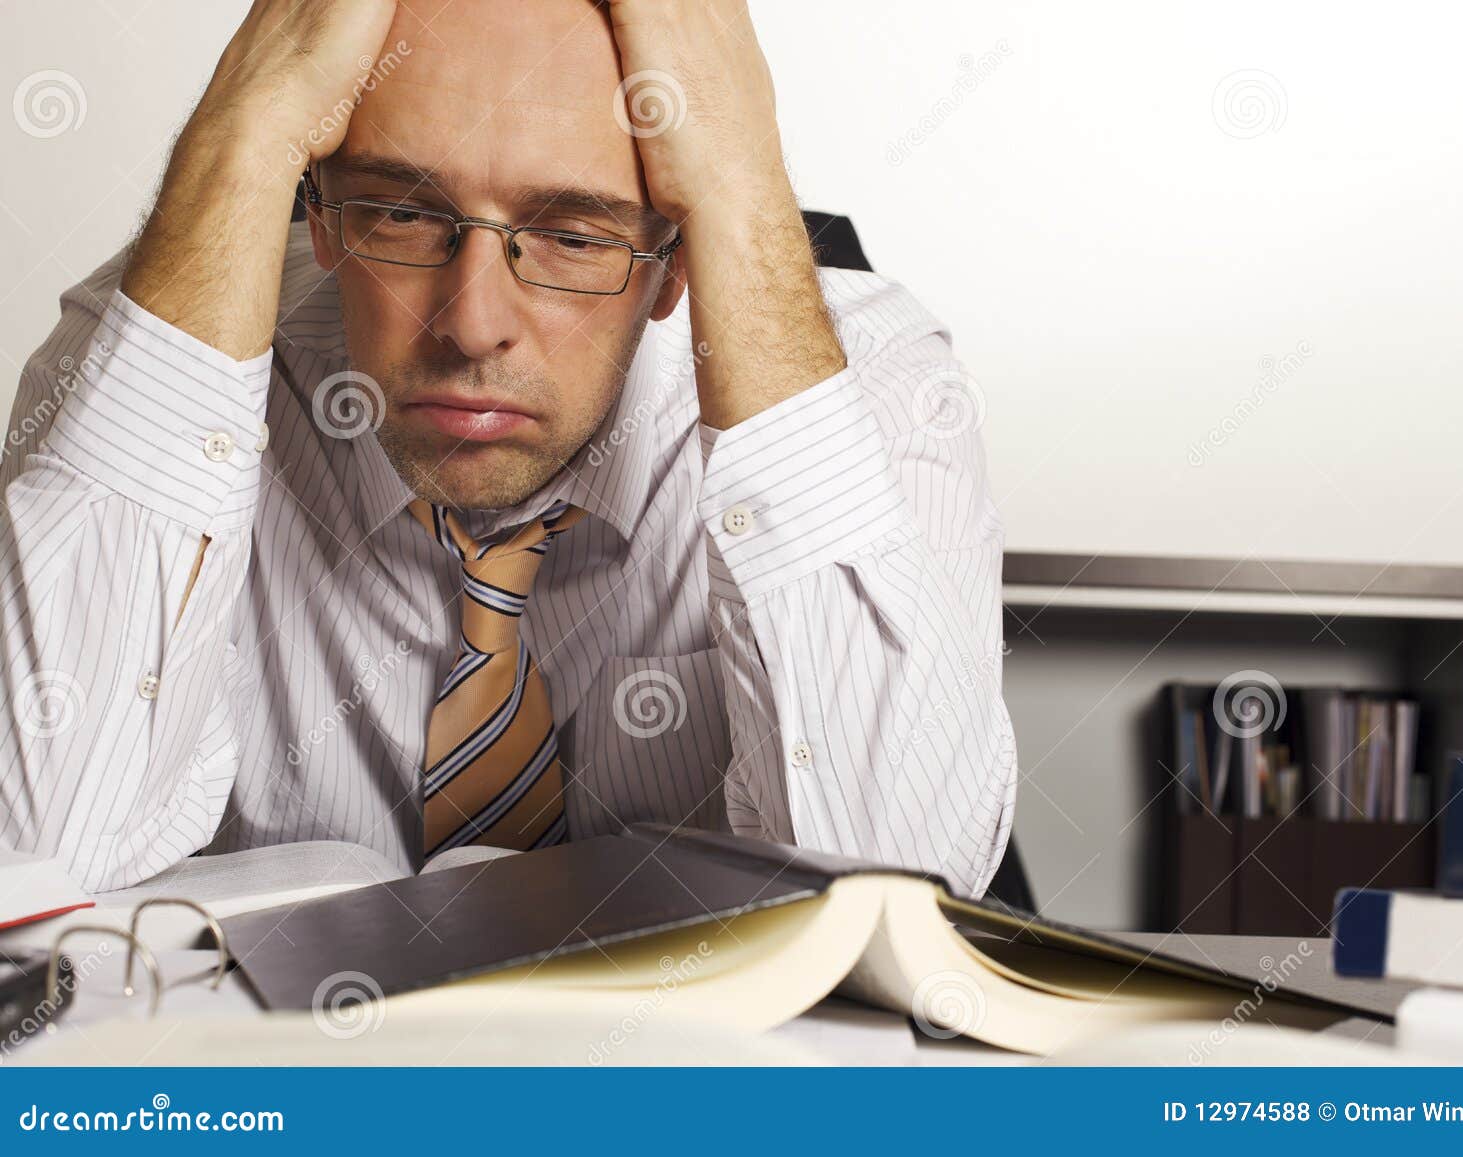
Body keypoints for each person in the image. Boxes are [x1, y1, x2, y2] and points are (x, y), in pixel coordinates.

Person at [0, 0, 1016, 897]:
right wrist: (241, 136)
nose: (472, 323)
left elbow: (895, 892)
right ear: (315, 210)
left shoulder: (869, 380)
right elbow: (29, 857)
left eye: (575, 235)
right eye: (400, 212)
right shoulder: (146, 351)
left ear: (675, 265)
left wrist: (743, 192)